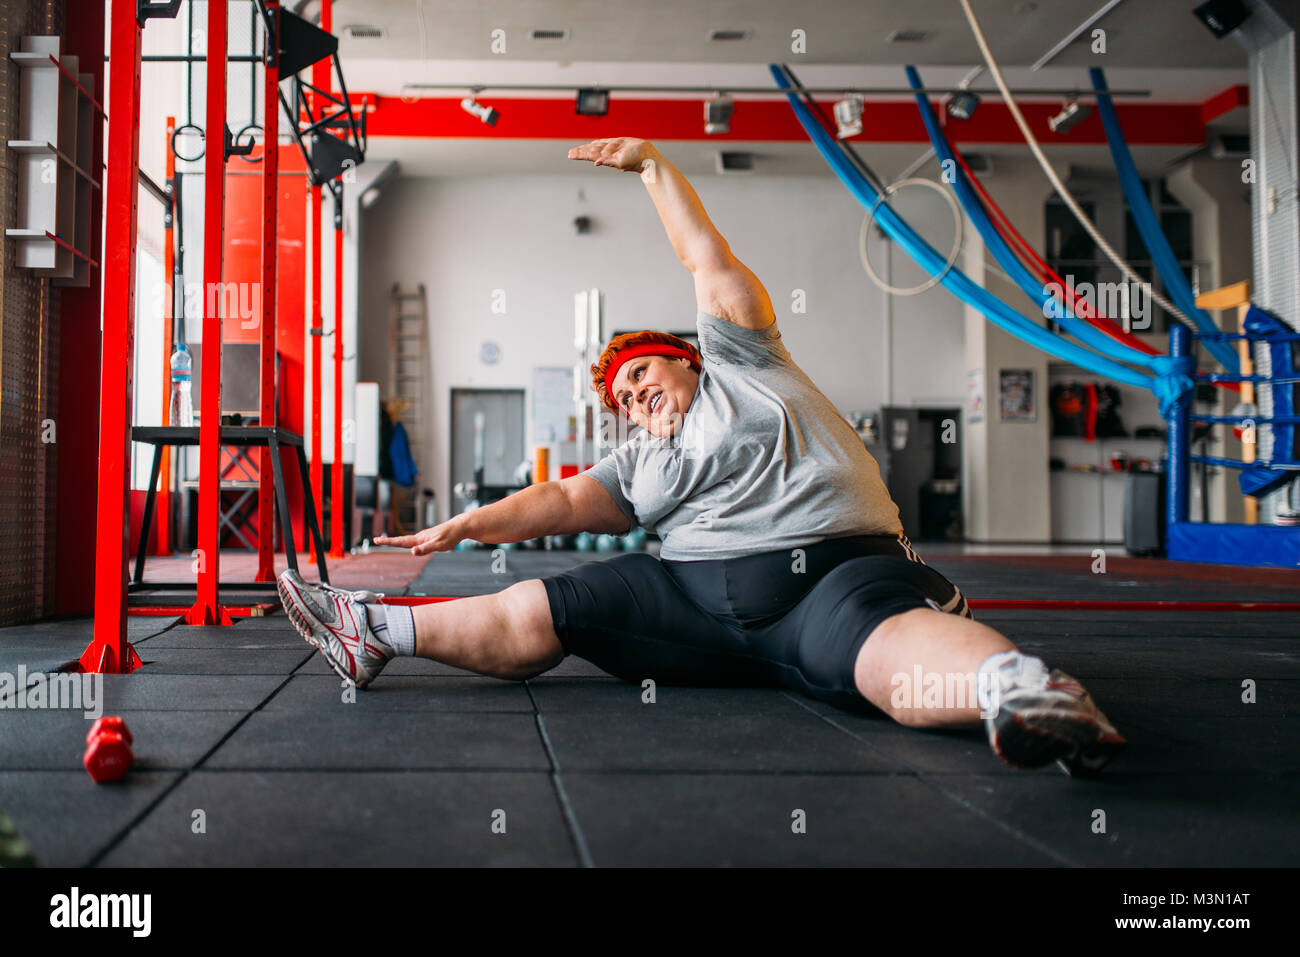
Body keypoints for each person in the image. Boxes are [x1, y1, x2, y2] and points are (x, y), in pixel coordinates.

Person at [279, 137, 1125, 776]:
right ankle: (374, 631)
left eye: (641, 373)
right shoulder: (641, 461)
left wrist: (654, 168)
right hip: (693, 607)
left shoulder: (746, 361)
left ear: (685, 355)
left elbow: (704, 258)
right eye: (621, 397)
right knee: (547, 604)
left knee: (881, 656)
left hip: (830, 581)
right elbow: (563, 503)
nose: (633, 395)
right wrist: (467, 524)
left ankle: (1020, 691)